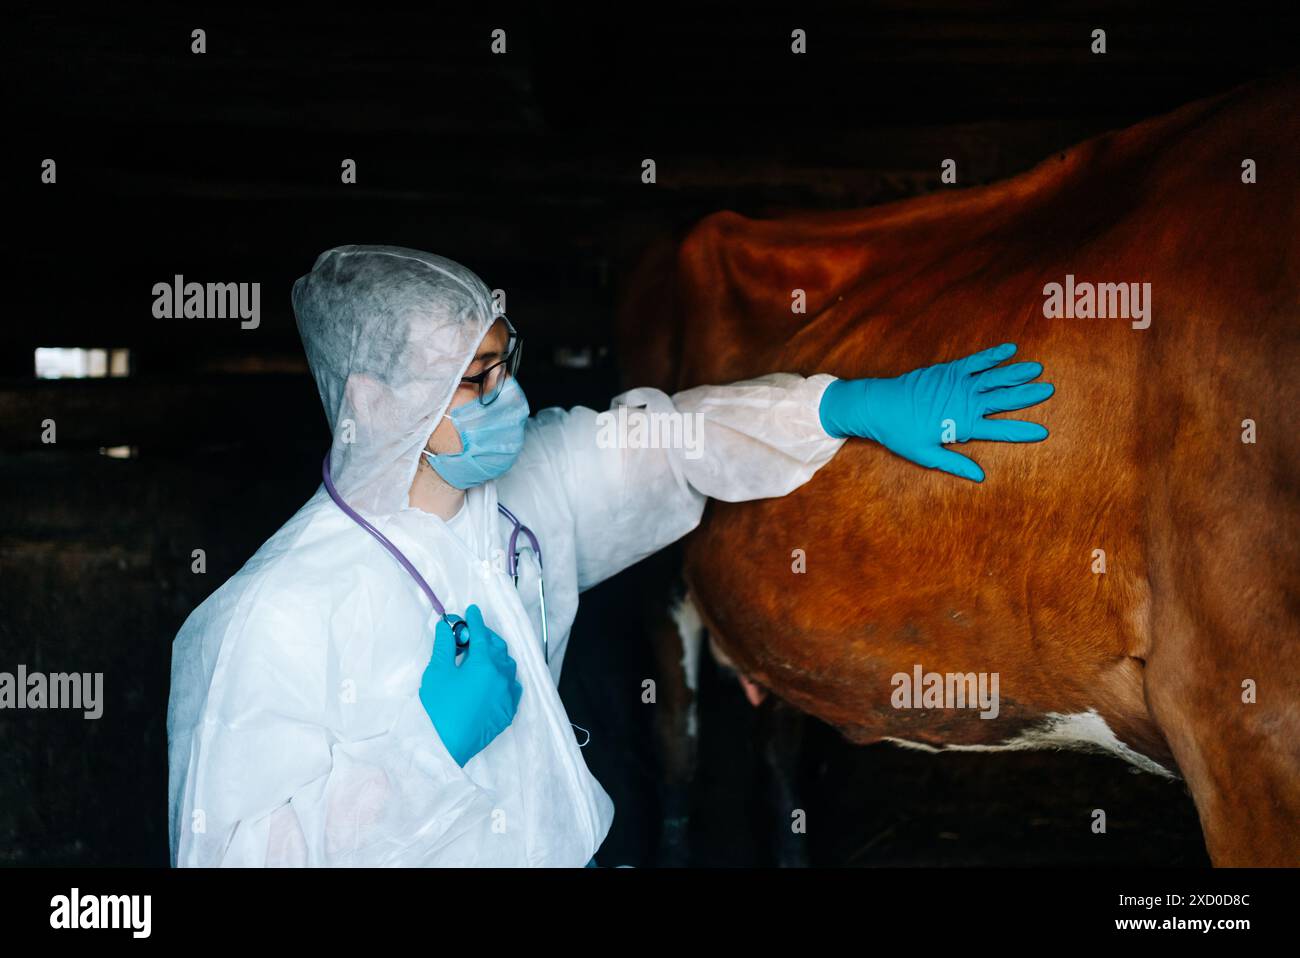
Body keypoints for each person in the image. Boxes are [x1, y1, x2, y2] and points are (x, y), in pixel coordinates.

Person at [166, 244, 1054, 867]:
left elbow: (669, 440)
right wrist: (424, 752)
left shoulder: (521, 498)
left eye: (504, 361)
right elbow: (234, 857)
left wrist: (835, 408)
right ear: (372, 396)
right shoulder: (269, 617)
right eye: (473, 380)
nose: (507, 394)